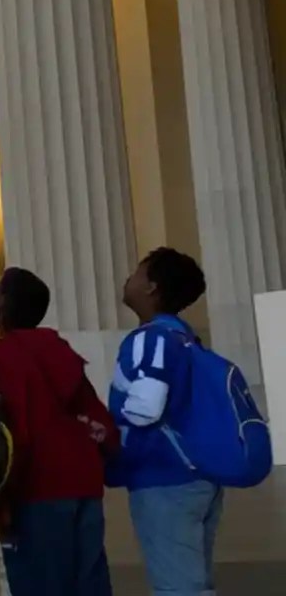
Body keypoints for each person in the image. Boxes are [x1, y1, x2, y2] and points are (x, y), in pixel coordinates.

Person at [0, 268, 116, 596]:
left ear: (4, 305)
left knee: (40, 583)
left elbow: (15, 434)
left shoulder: (2, 357)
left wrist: (4, 498)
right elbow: (100, 423)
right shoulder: (61, 351)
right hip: (83, 483)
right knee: (89, 582)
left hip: (36, 489)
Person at [110, 248, 220, 596]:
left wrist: (104, 435)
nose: (130, 278)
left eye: (138, 272)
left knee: (177, 587)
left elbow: (146, 406)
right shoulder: (185, 338)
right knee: (194, 582)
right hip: (198, 473)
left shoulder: (151, 338)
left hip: (164, 477)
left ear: (152, 287)